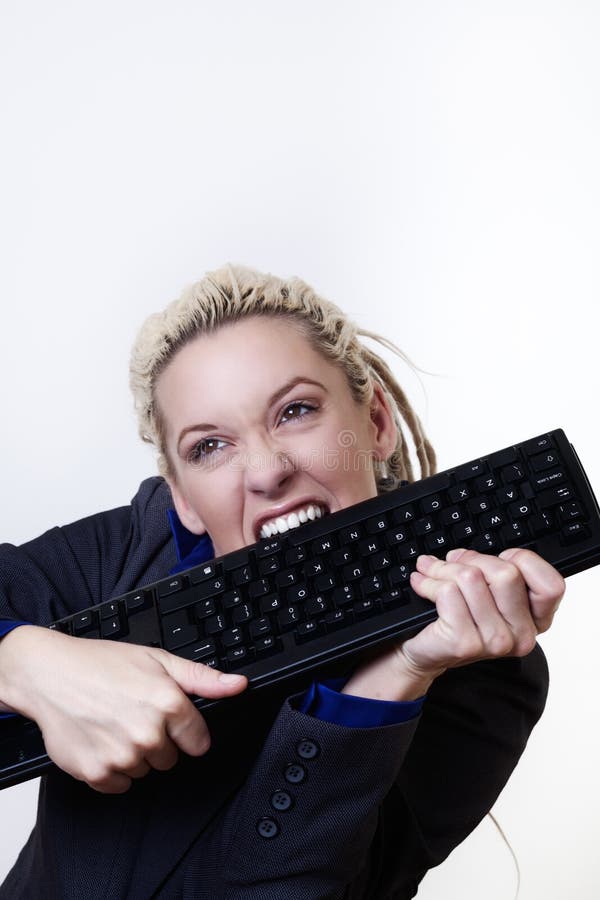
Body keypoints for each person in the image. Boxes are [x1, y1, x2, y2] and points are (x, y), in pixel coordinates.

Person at [0, 264, 563, 899]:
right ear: (180, 496)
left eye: (295, 411)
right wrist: (22, 661)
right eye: (209, 446)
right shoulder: (131, 551)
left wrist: (397, 674)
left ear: (375, 421)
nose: (266, 471)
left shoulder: (487, 676)